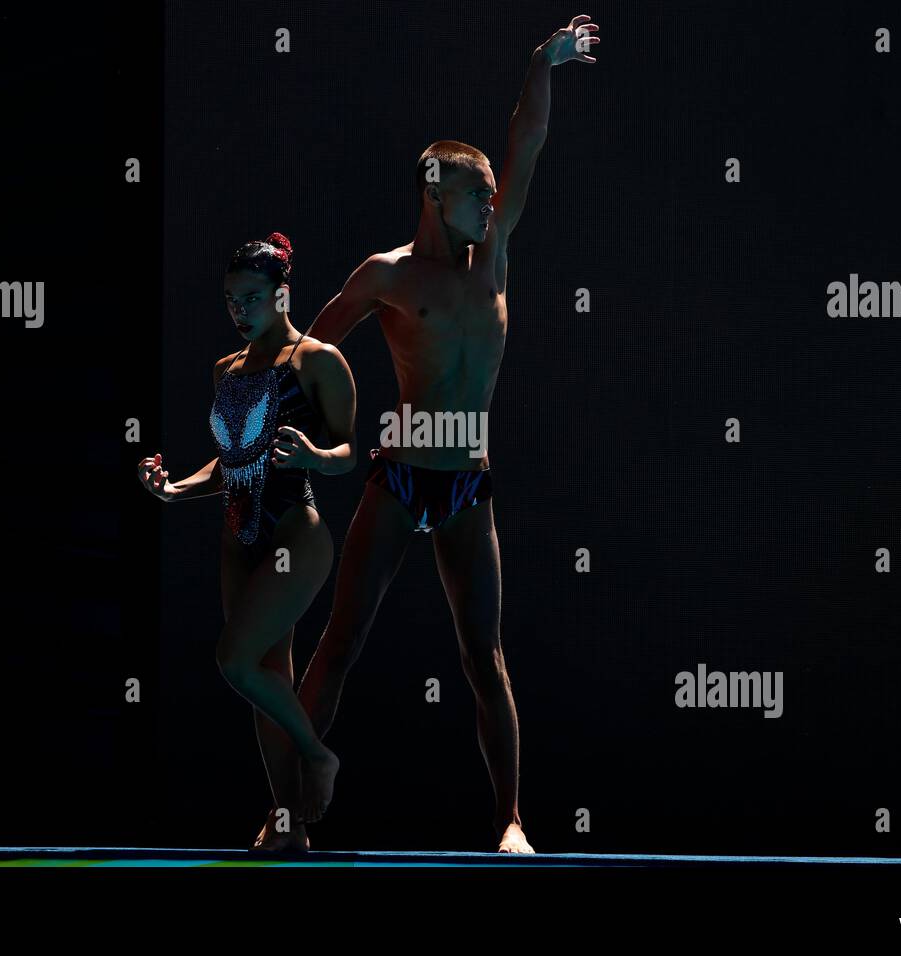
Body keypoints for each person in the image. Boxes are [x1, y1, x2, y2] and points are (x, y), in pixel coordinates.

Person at [295, 16, 601, 852]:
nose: (493, 204)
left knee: (483, 657)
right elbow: (311, 353)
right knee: (341, 642)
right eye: (478, 195)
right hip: (398, 477)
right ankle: (285, 817)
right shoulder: (388, 275)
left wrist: (544, 61)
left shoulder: (495, 252)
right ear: (436, 194)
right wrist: (302, 429)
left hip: (468, 485)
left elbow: (526, 140)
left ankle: (510, 820)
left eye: (495, 198)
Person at [137, 232, 357, 853]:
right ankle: (287, 825)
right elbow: (232, 458)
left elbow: (347, 451)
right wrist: (175, 489)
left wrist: (315, 452)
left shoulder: (318, 361)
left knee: (236, 660)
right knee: (265, 679)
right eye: (231, 300)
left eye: (252, 298)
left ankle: (318, 757)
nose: (240, 311)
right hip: (239, 538)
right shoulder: (225, 370)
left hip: (295, 533)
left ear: (282, 295)